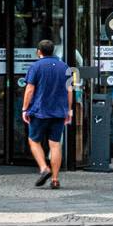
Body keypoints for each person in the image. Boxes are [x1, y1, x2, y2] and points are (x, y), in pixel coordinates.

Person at [21, 39, 73, 189]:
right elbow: (70, 91)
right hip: (59, 111)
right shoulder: (65, 67)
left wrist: (25, 108)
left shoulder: (35, 66)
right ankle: (55, 179)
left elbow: (30, 89)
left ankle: (44, 168)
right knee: (55, 144)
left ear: (39, 51)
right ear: (53, 51)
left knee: (34, 141)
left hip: (39, 111)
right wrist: (68, 110)